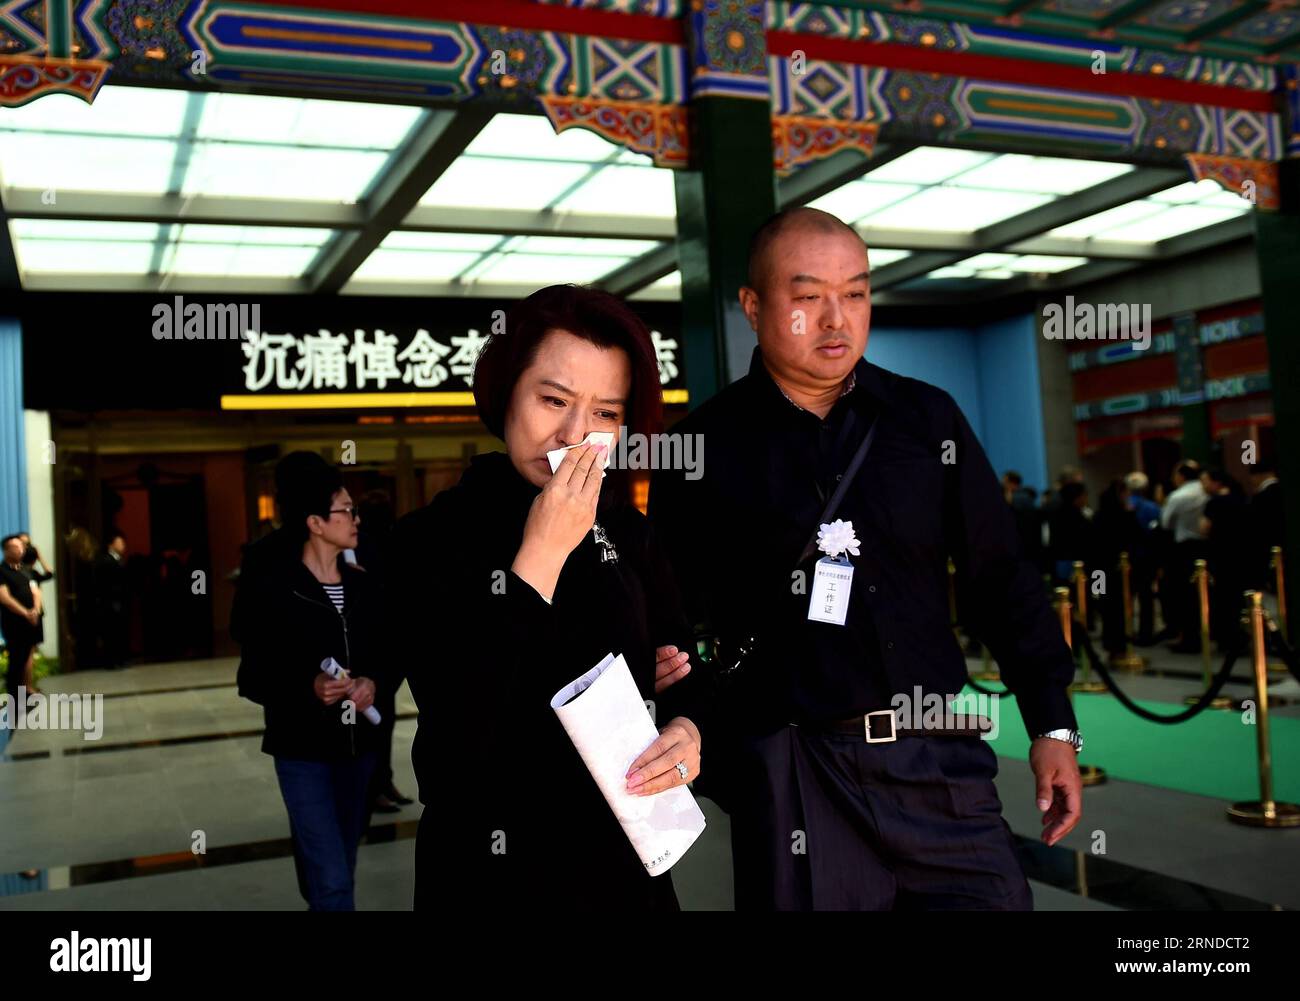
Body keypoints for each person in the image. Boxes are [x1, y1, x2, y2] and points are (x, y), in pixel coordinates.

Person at [650, 207, 1081, 911]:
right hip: (799, 773)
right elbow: (672, 629)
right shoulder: (702, 450)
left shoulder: (926, 419)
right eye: (808, 295)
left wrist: (1051, 722)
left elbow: (1000, 577)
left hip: (939, 756)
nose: (836, 318)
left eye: (855, 293)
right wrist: (737, 762)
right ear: (754, 307)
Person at [386, 283, 709, 912]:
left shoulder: (630, 531)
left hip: (623, 861)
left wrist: (689, 727)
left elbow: (682, 666)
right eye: (553, 399)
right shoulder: (429, 540)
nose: (573, 434)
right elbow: (459, 730)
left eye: (606, 414)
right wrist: (541, 554)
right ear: (506, 393)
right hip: (488, 869)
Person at [234, 457, 386, 911]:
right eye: (346, 510)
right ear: (315, 521)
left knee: (339, 866)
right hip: (301, 748)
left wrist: (373, 680)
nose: (356, 519)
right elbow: (253, 663)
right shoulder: (273, 574)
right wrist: (308, 685)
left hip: (359, 747)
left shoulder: (363, 580)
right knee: (333, 879)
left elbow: (387, 645)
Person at [1160, 460, 1208, 653]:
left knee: (1185, 596)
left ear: (1181, 476)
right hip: (1205, 545)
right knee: (1202, 592)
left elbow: (1166, 522)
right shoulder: (1205, 491)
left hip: (1184, 548)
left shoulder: (1178, 496)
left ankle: (1189, 637)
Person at [1200, 468, 1249, 653]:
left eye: (1205, 481)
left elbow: (1204, 528)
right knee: (1238, 598)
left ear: (1216, 482)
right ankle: (1242, 636)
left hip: (1219, 555)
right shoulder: (1240, 498)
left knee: (1222, 599)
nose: (1203, 485)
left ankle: (1227, 639)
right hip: (1240, 555)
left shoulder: (1214, 503)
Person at [1092, 480, 1140, 656]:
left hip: (1100, 571)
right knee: (1121, 605)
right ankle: (1121, 641)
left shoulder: (1098, 516)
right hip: (1119, 571)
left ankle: (1110, 641)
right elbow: (1136, 539)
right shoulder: (1125, 515)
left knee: (1105, 604)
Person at [1, 534, 42, 705]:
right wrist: (25, 612)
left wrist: (35, 611)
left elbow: (36, 591)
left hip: (31, 622)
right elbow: (4, 598)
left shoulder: (25, 570)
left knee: (27, 656)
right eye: (16, 547)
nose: (20, 550)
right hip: (14, 623)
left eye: (21, 547)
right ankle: (14, 698)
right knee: (17, 659)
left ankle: (25, 691)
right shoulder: (2, 571)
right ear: (6, 550)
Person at [1124, 472, 1161, 645]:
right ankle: (1146, 633)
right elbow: (1157, 532)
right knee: (1146, 597)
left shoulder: (1124, 506)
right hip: (1147, 556)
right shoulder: (1152, 507)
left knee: (1126, 595)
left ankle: (1126, 630)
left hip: (1126, 557)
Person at [95, 532, 130, 668]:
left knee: (120, 632)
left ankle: (121, 658)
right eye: (120, 542)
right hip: (110, 603)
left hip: (120, 603)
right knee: (111, 633)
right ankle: (111, 660)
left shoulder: (119, 560)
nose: (123, 545)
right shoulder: (105, 561)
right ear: (111, 544)